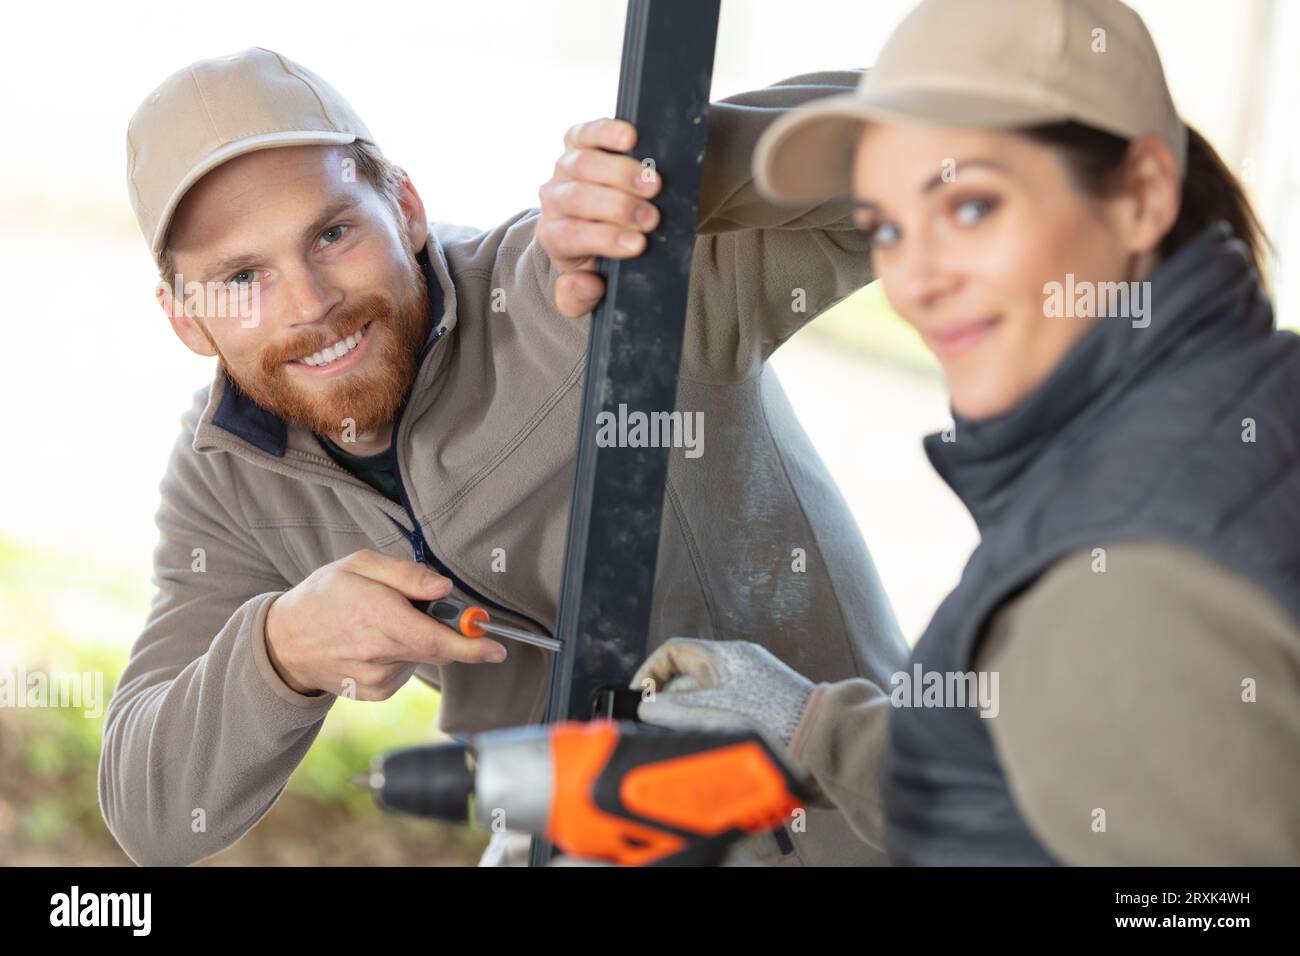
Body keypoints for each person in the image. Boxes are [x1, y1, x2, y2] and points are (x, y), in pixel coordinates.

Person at [100, 48, 909, 866]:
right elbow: (151, 815)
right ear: (187, 322)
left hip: (877, 832)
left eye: (334, 233)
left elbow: (944, 140)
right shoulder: (227, 479)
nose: (311, 304)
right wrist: (280, 652)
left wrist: (691, 166)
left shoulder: (598, 285)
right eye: (242, 278)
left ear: (405, 208)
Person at [630, 0, 1300, 865]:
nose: (915, 280)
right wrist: (815, 730)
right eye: (888, 230)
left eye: (973, 207)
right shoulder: (1230, 408)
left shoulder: (1133, 577)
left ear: (1141, 196)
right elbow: (1063, 772)